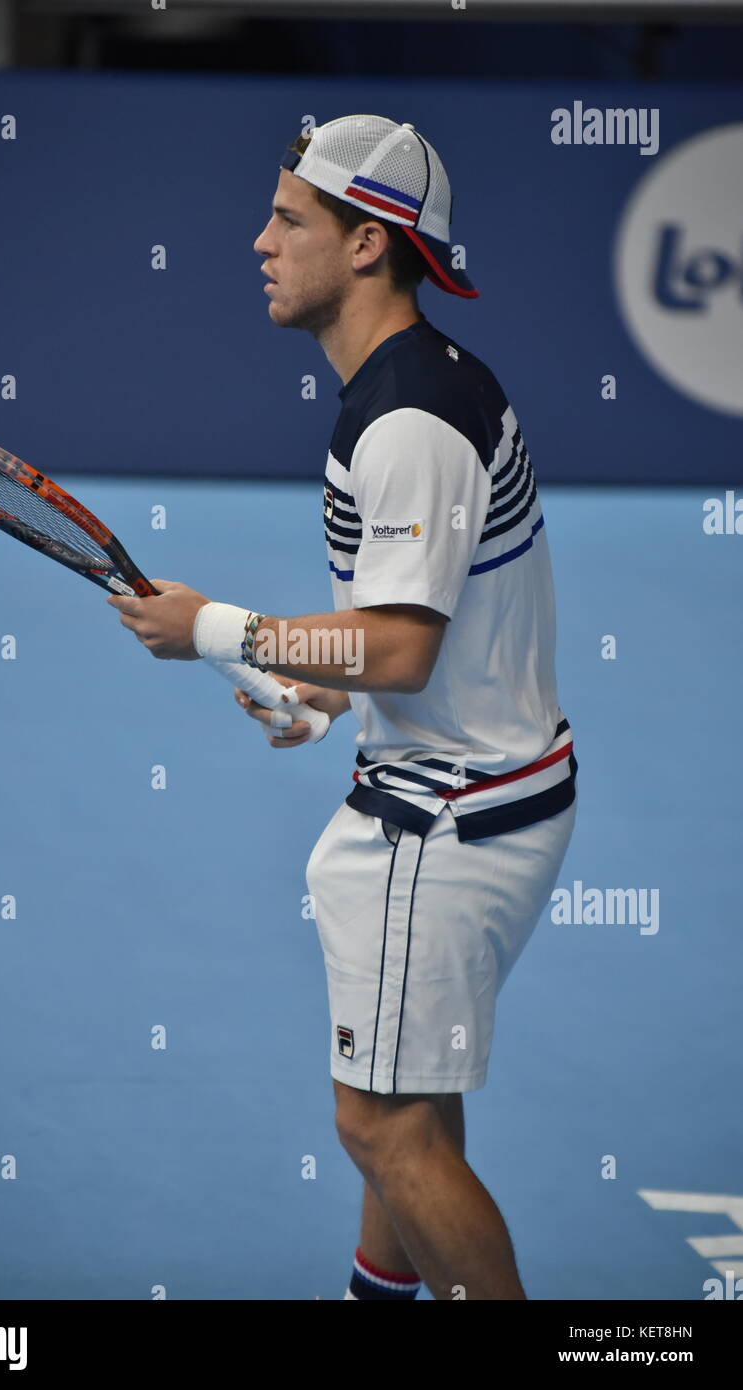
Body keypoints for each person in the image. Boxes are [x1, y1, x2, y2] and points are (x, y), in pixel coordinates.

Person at [108, 114, 578, 1301]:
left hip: (447, 821)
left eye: (289, 220)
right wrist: (320, 689)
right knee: (410, 1097)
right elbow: (418, 634)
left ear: (369, 245)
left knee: (380, 1127)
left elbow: (409, 648)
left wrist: (221, 631)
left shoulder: (410, 421)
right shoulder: (416, 387)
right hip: (486, 786)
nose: (259, 241)